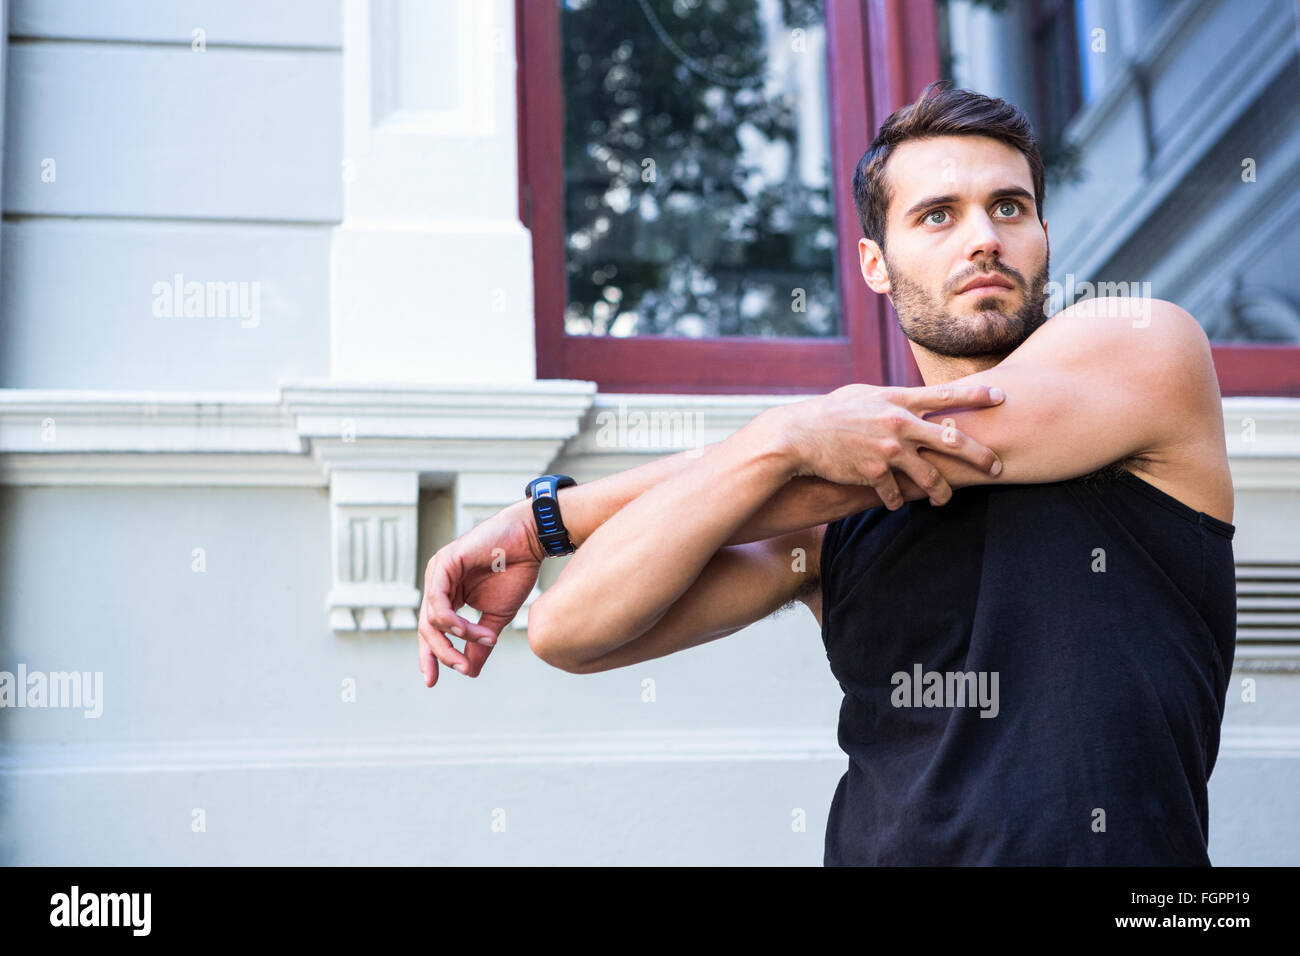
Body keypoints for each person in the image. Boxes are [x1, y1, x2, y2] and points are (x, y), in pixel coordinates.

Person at [417, 82, 1236, 865]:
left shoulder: (1146, 350)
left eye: (1010, 207)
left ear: (1046, 237)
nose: (983, 235)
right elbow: (569, 631)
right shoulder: (818, 517)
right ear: (875, 265)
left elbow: (895, 446)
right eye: (938, 215)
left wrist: (543, 521)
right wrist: (774, 440)